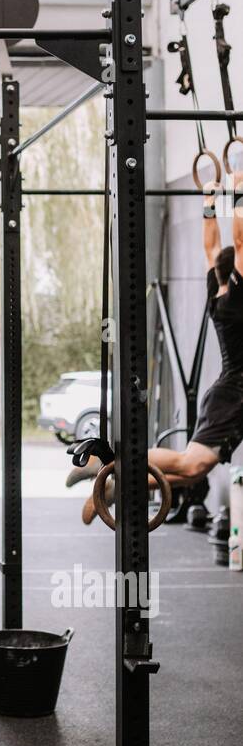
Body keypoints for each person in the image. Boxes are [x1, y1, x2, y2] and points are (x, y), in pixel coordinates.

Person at [80, 175, 243, 523]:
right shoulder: (234, 300)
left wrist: (210, 202)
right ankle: (110, 468)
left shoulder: (221, 291)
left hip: (230, 393)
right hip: (234, 394)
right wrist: (238, 192)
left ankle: (113, 484)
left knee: (193, 474)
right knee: (190, 464)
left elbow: (212, 249)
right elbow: (238, 242)